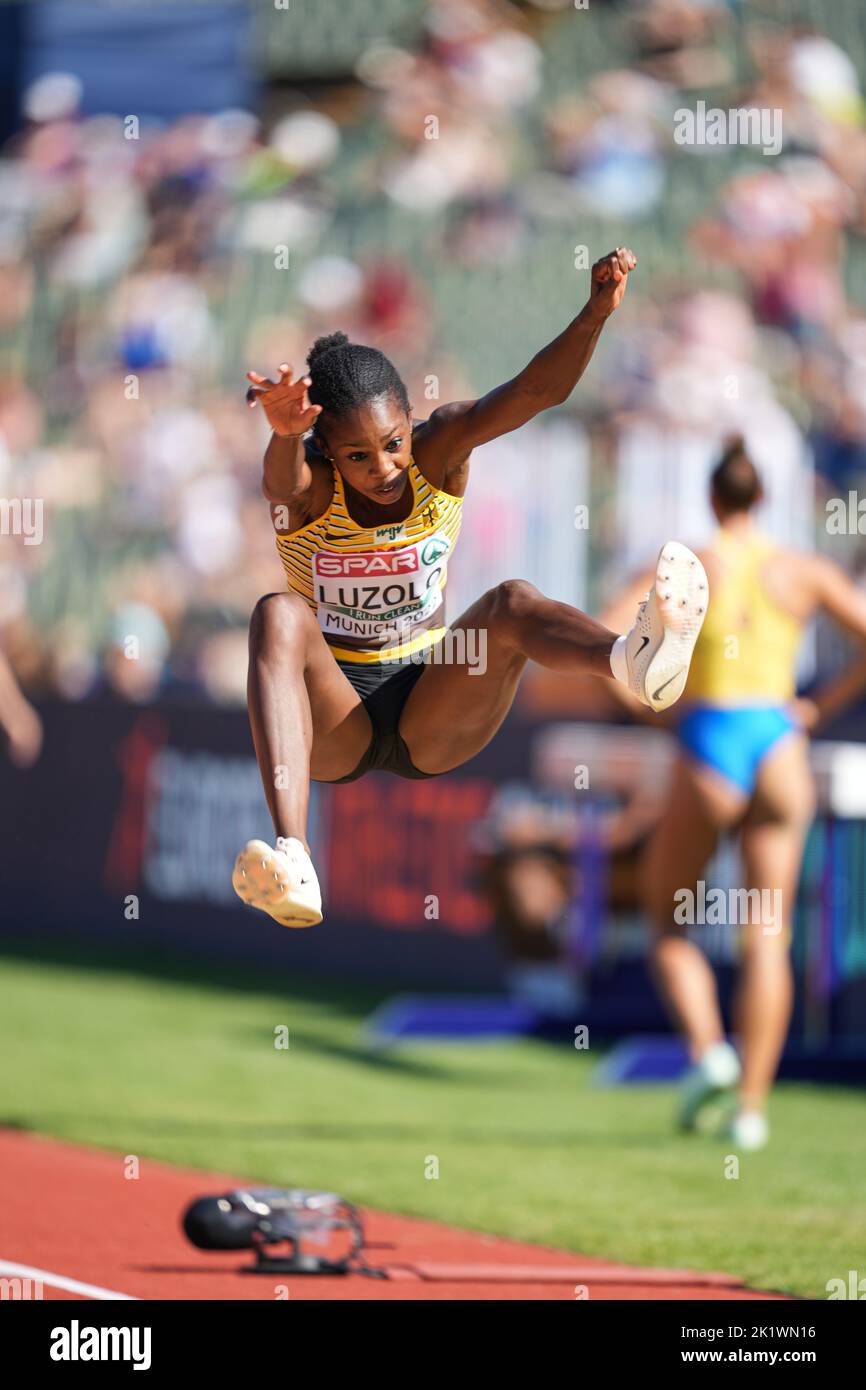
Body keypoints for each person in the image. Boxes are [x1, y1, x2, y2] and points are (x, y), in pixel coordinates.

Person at [233, 247, 708, 927]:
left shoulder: (441, 448)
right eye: (357, 457)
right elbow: (282, 483)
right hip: (338, 721)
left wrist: (595, 314)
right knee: (278, 613)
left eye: (393, 443)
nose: (384, 468)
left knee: (511, 601)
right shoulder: (309, 490)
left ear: (409, 420)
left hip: (436, 705)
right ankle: (295, 855)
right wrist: (281, 436)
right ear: (326, 451)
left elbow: (534, 393)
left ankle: (628, 660)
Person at [603, 439, 866, 1149]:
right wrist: (817, 706)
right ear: (764, 500)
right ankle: (750, 1112)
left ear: (712, 498)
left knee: (665, 923)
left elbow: (605, 634)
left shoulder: (689, 565)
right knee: (768, 938)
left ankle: (709, 1052)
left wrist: (652, 704)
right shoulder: (798, 569)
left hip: (710, 738)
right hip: (779, 738)